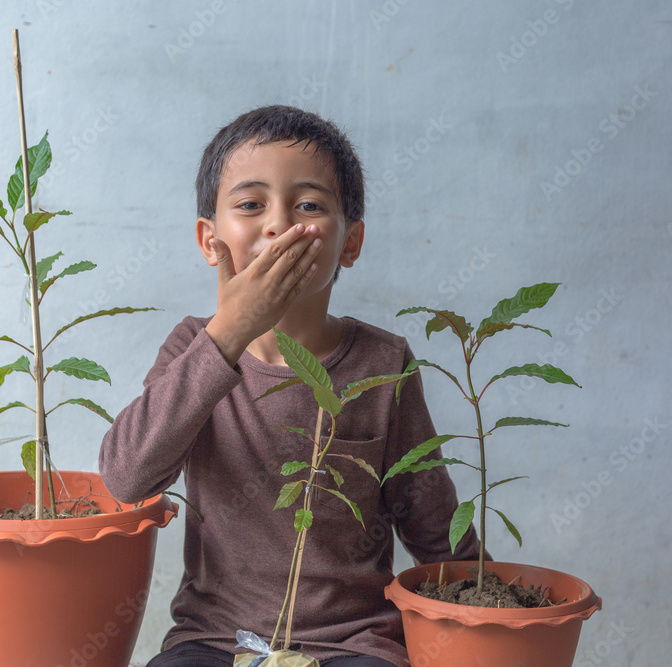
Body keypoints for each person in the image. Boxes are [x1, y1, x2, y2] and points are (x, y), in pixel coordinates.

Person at [99, 105, 480, 667]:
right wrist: (227, 334)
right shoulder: (190, 349)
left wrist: (497, 605)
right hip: (213, 642)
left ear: (350, 243)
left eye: (308, 205)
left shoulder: (383, 360)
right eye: (251, 204)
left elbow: (432, 525)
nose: (278, 224)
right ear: (210, 241)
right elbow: (127, 477)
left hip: (355, 646)